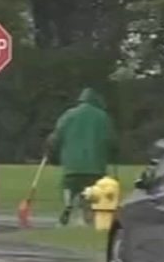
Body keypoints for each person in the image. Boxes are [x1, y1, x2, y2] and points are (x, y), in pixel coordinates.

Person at [46, 88, 116, 226]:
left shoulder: (69, 115)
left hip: (72, 166)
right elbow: (112, 140)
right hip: (96, 166)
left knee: (70, 187)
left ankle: (68, 206)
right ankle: (86, 217)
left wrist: (50, 146)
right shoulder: (102, 116)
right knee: (90, 192)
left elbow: (56, 137)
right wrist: (113, 153)